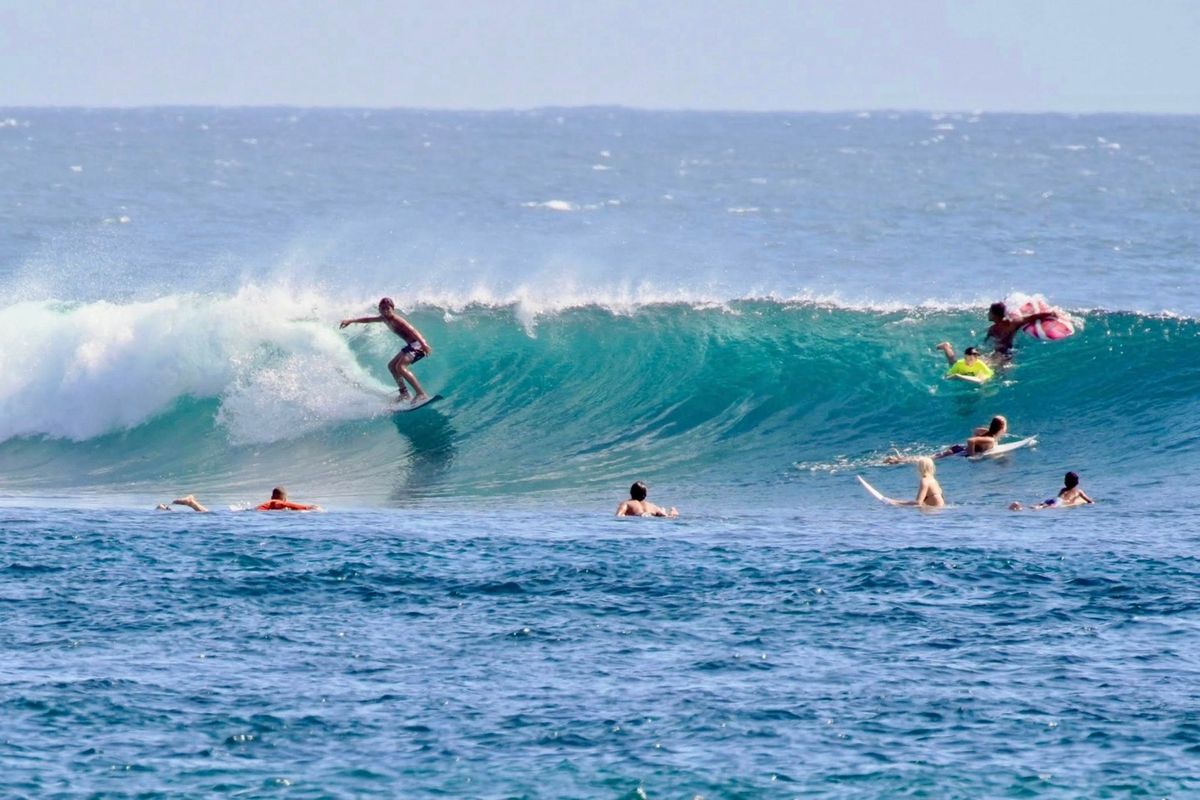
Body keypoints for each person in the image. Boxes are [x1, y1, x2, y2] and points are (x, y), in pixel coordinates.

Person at [340, 297, 433, 405]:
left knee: (400, 367)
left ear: (392, 308)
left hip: (418, 345)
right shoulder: (383, 318)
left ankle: (421, 394)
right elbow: (367, 319)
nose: (385, 310)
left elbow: (413, 331)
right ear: (379, 309)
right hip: (411, 345)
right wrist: (351, 321)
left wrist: (424, 345)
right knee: (391, 366)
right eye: (382, 308)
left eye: (388, 308)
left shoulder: (397, 320)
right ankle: (404, 393)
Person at [883, 414, 1009, 464]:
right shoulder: (991, 440)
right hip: (960, 451)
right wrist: (972, 456)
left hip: (957, 448)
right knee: (930, 459)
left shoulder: (988, 434)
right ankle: (896, 460)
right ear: (1002, 428)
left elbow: (975, 431)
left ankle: (899, 459)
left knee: (931, 457)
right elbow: (971, 440)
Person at [985, 301, 1058, 356]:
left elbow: (1031, 318)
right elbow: (986, 343)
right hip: (997, 351)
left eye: (989, 312)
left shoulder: (1011, 324)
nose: (988, 314)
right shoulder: (992, 329)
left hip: (1008, 351)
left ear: (995, 315)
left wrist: (1050, 314)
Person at [1010, 471, 1095, 511]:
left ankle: (1020, 506)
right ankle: (1036, 508)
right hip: (1060, 502)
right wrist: (1092, 502)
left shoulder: (1063, 489)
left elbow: (1058, 498)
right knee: (1048, 507)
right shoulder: (1079, 491)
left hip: (1053, 499)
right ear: (1077, 482)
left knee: (1042, 504)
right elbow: (1089, 501)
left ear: (1065, 482)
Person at [256, 486, 322, 512]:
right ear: (284, 499)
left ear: (271, 497)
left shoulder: (267, 504)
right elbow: (287, 505)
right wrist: (308, 507)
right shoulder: (276, 502)